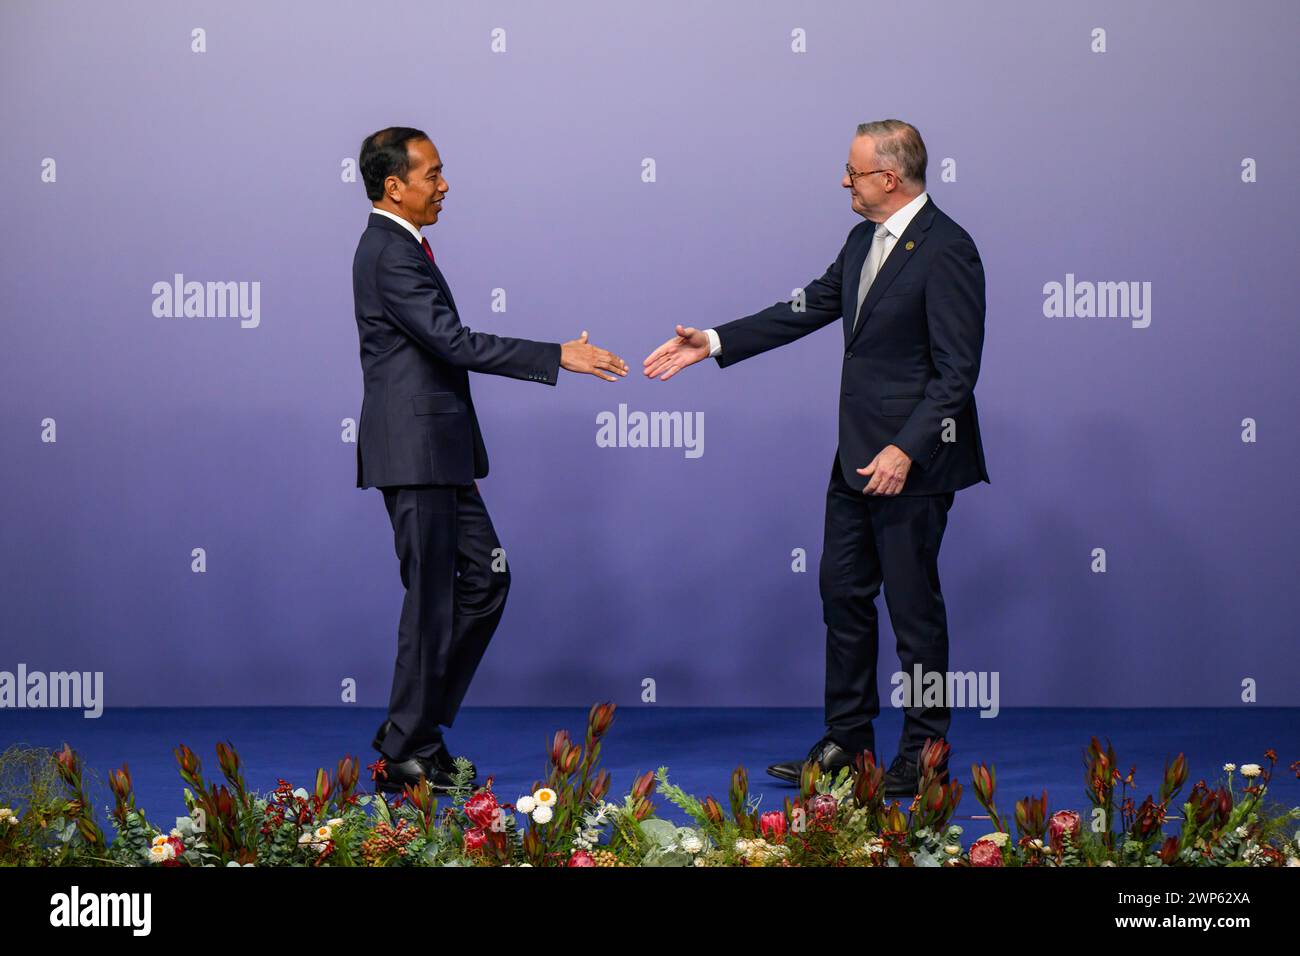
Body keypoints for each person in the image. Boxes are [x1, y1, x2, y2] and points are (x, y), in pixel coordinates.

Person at [643, 120, 988, 798]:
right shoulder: (863, 239)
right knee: (842, 596)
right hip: (856, 459)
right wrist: (714, 341)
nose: (843, 181)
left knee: (914, 611)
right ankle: (847, 743)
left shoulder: (949, 249)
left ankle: (925, 752)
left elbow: (956, 373)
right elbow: (807, 306)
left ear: (890, 178)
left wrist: (905, 449)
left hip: (912, 464)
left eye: (854, 172)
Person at [353, 127, 628, 793]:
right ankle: (406, 748)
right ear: (396, 186)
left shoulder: (402, 247)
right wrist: (555, 354)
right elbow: (451, 341)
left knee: (483, 581)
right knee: (430, 604)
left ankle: (413, 733)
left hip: (439, 454)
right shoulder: (388, 252)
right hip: (416, 456)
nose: (445, 185)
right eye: (433, 174)